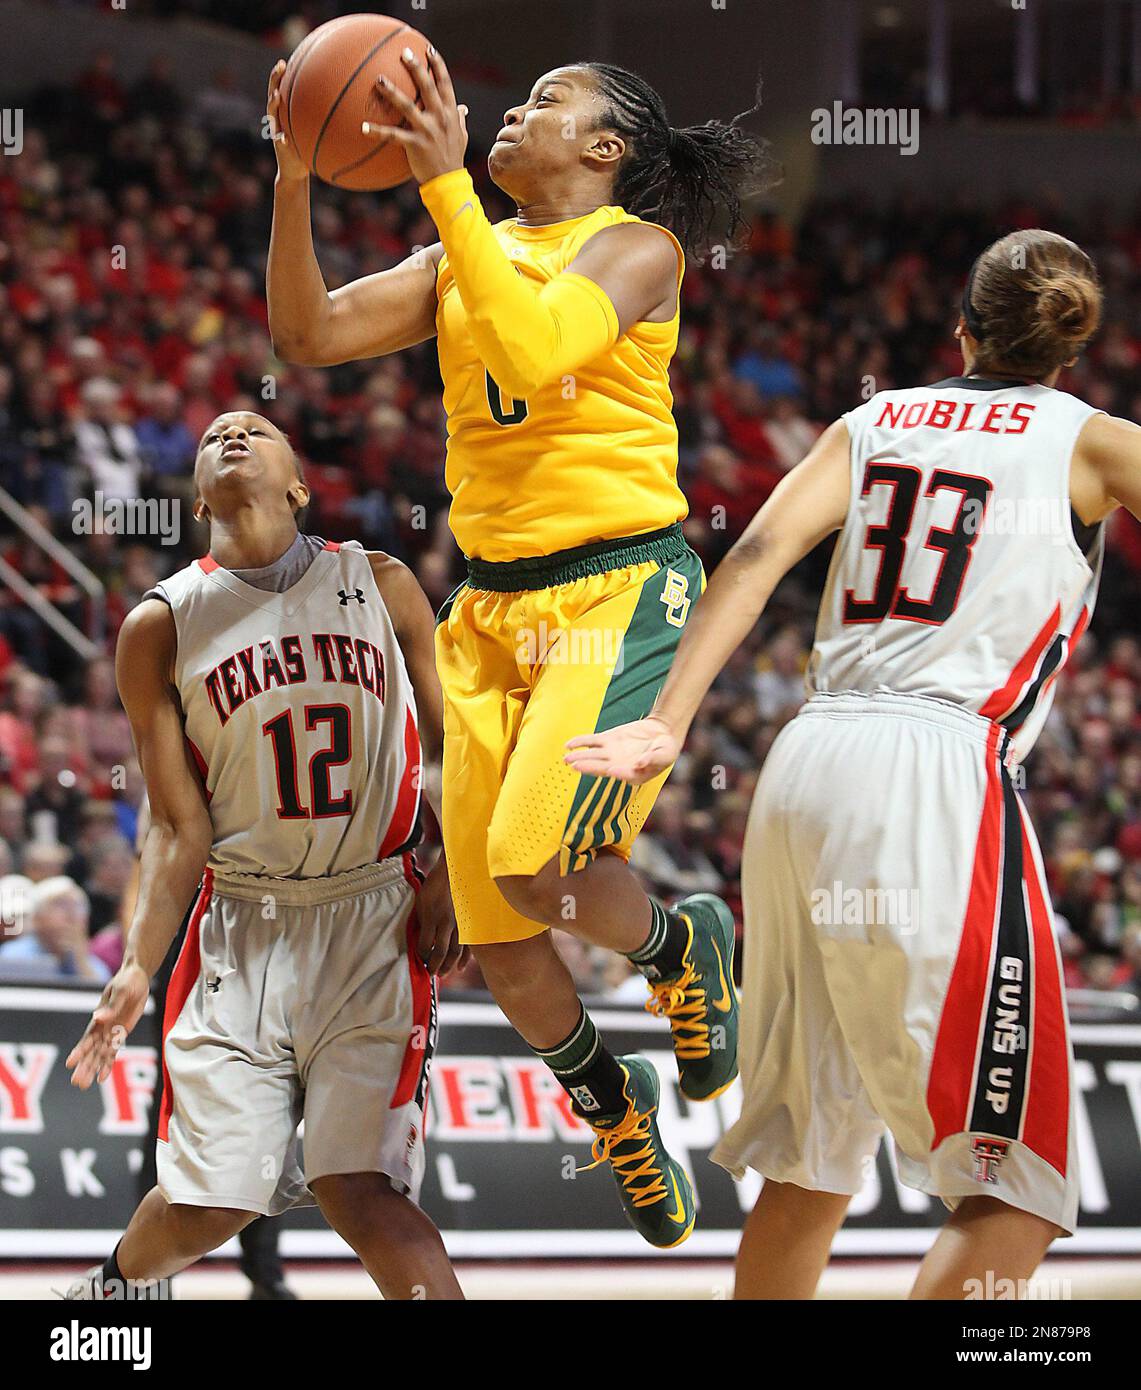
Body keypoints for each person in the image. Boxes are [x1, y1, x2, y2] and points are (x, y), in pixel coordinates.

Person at [566, 229, 1141, 1296]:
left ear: (957, 330)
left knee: (808, 1158)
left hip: (807, 765)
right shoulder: (1096, 441)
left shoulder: (874, 418)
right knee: (1015, 1185)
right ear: (1072, 350)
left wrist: (670, 721)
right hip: (937, 770)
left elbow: (750, 557)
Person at [266, 47, 777, 1246]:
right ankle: (619, 1106)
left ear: (605, 151)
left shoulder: (637, 249)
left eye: (550, 99)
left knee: (528, 852)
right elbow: (307, 334)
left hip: (613, 588)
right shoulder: (460, 254)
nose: (514, 109)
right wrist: (295, 180)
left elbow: (536, 348)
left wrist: (445, 185)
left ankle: (677, 938)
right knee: (496, 938)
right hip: (490, 606)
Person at [65, 411, 464, 1300]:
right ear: (197, 490)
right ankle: (105, 1298)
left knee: (361, 1190)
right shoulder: (160, 625)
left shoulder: (381, 582)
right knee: (209, 1208)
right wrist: (135, 966)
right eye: (212, 434)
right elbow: (175, 826)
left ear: (298, 486)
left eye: (256, 428)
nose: (232, 432)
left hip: (376, 917)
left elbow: (459, 751)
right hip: (240, 925)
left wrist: (450, 874)